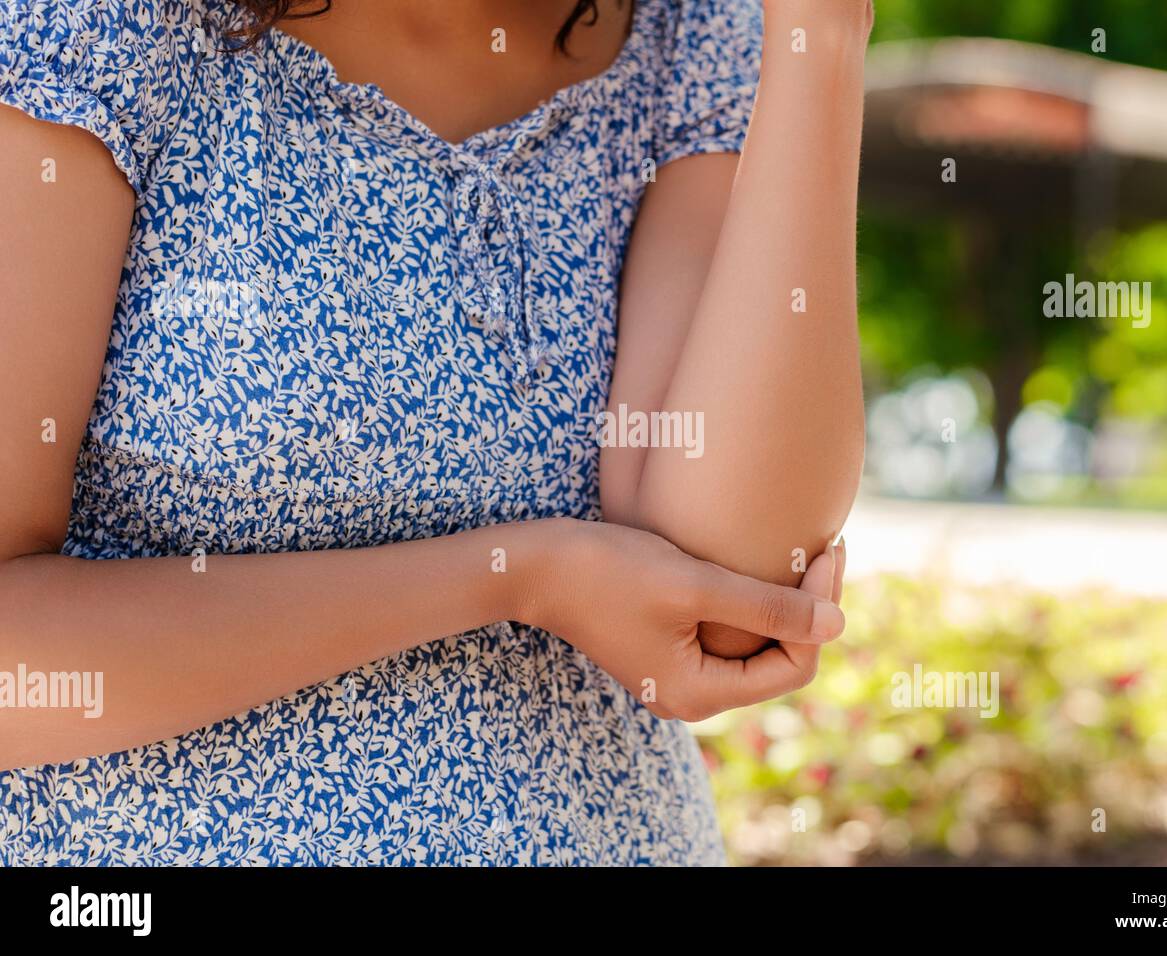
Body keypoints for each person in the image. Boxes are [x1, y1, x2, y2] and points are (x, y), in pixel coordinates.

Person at [0, 0, 871, 864]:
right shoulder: (96, 25)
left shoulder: (691, 31)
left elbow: (723, 599)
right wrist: (511, 580)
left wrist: (822, 38)